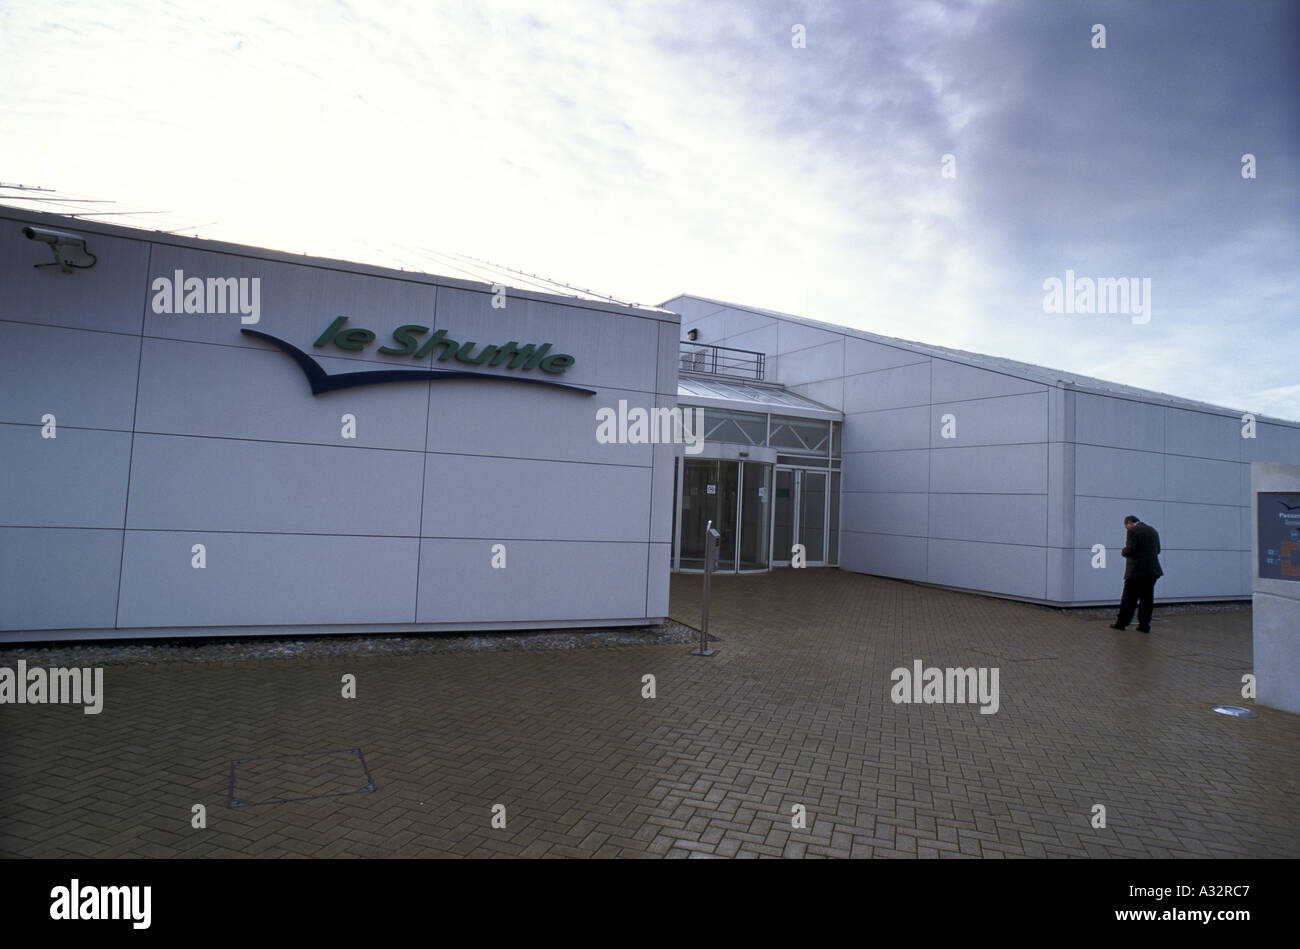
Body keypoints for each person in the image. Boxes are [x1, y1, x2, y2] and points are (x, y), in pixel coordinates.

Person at [1111, 515, 1162, 633]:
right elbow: (1158, 550)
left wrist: (1123, 551)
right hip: (1152, 571)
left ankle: (1121, 624)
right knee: (1147, 599)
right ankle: (1144, 626)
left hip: (1136, 571)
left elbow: (1130, 550)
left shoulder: (1133, 531)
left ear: (1129, 523)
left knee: (1129, 599)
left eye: (1126, 526)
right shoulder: (1152, 530)